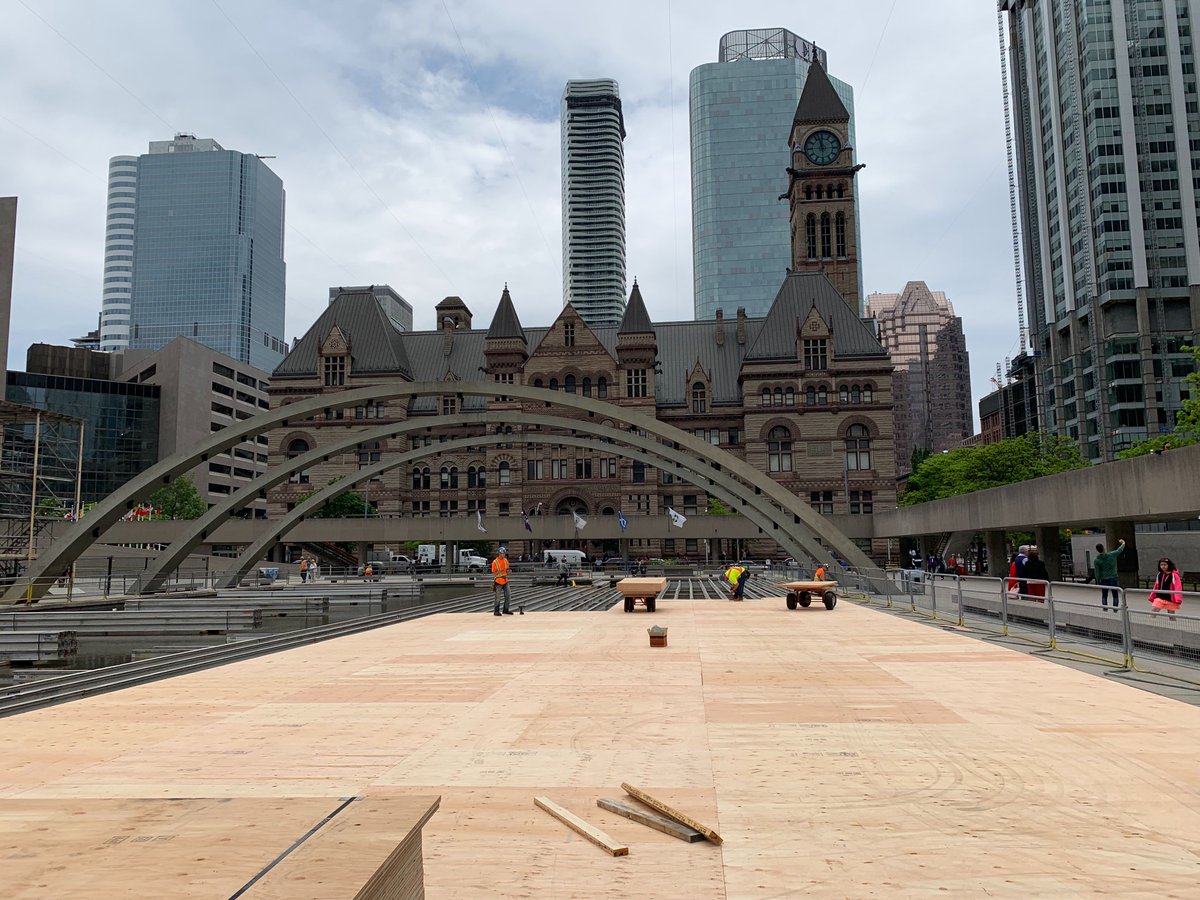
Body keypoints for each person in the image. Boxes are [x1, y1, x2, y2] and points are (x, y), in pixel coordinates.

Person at [1092, 538, 1126, 610]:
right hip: (1113, 577)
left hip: (1104, 579)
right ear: (1104, 548)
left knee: (1104, 594)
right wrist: (1123, 543)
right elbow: (1119, 550)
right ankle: (1115, 608)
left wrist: (1098, 581)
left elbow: (1097, 573)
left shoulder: (1097, 560)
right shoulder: (1111, 555)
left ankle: (1105, 608)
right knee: (1115, 594)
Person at [491, 547, 513, 616]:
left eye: (504, 553)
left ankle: (506, 609)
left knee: (508, 595)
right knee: (498, 596)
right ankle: (496, 611)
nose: (503, 555)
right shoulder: (495, 562)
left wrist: (509, 571)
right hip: (498, 580)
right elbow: (493, 573)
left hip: (505, 580)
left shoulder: (506, 560)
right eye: (502, 553)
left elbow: (507, 570)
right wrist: (499, 571)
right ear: (499, 554)